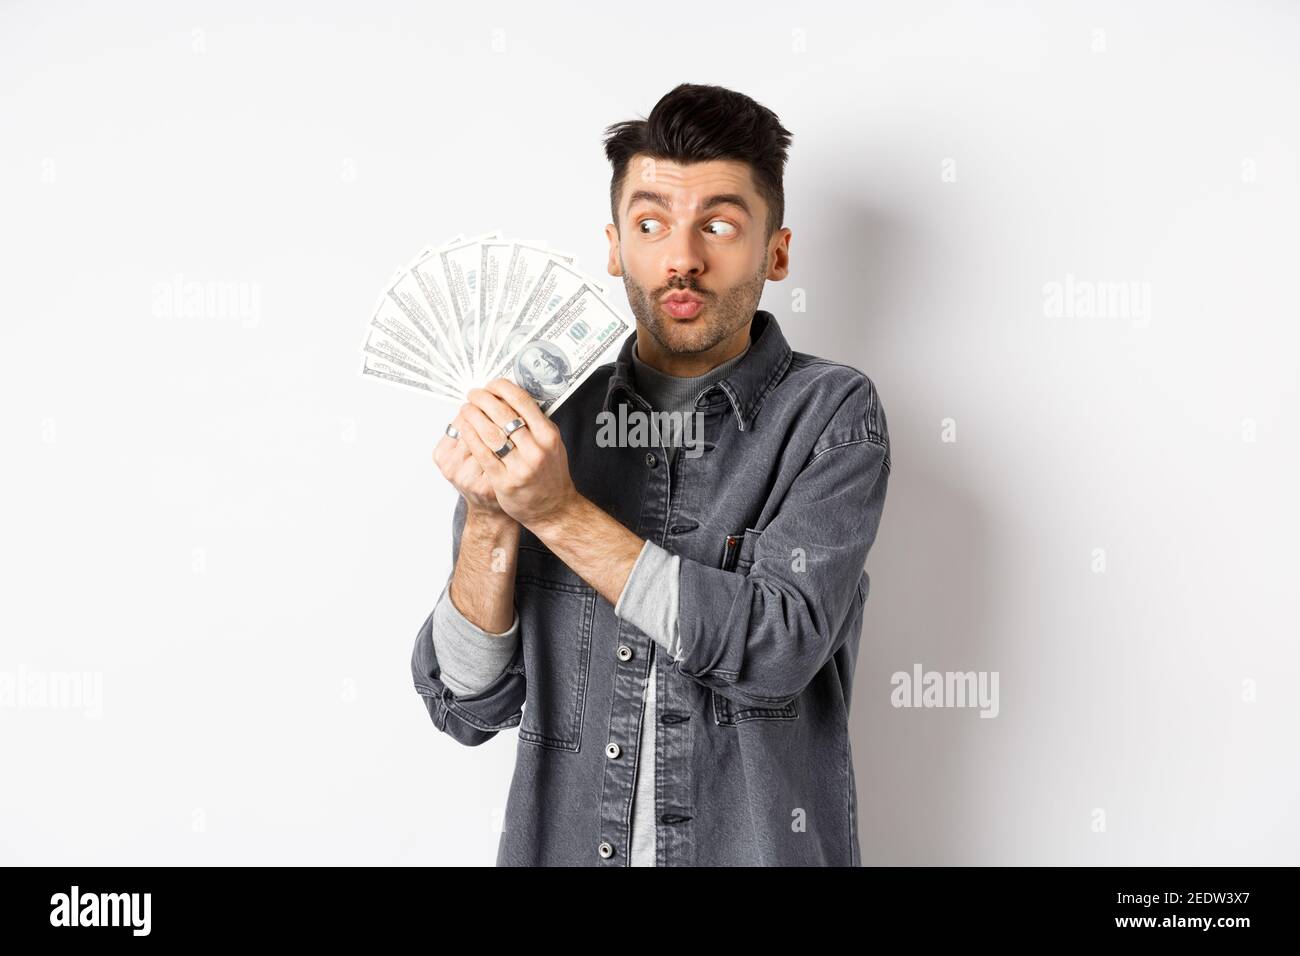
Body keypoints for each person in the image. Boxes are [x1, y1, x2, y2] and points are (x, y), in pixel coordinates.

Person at [411, 82, 891, 866]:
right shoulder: (547, 420)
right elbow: (465, 704)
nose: (682, 258)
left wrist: (559, 514)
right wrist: (493, 516)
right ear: (613, 246)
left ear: (777, 251)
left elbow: (775, 652)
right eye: (650, 223)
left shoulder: (832, 415)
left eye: (720, 225)